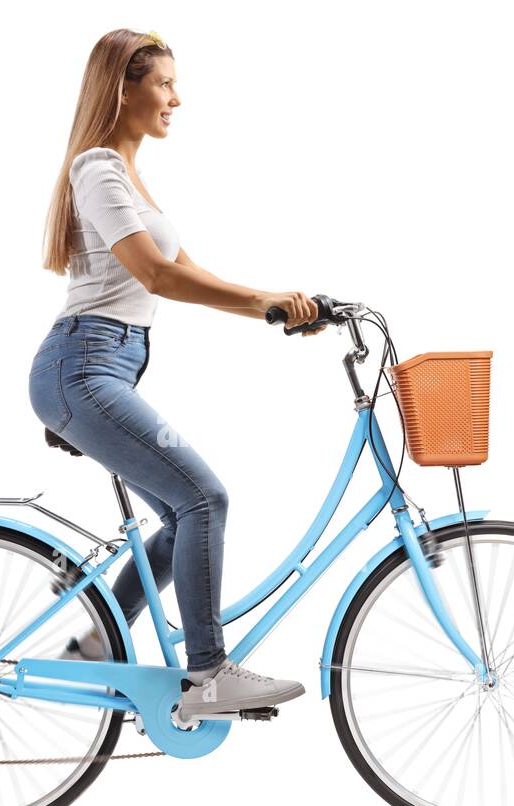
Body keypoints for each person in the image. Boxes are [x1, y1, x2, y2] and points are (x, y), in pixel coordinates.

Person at [30, 29, 321, 719]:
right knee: (203, 500)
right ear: (123, 89)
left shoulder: (127, 176)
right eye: (164, 84)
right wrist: (261, 302)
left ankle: (96, 646)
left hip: (107, 366)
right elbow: (156, 273)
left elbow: (185, 270)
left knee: (180, 513)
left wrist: (279, 304)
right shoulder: (97, 169)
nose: (176, 99)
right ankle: (209, 672)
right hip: (81, 367)